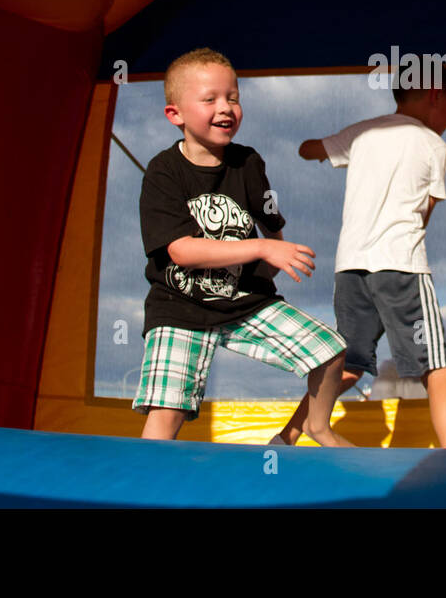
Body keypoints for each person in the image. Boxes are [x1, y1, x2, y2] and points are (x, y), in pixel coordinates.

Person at [134, 47, 353, 447]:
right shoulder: (163, 172)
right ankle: (143, 485)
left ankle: (315, 427)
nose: (226, 108)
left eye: (233, 97)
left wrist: (275, 253)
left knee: (330, 351)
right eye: (210, 99)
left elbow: (271, 227)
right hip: (179, 306)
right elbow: (181, 250)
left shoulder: (248, 163)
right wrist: (260, 250)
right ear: (175, 114)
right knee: (166, 411)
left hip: (243, 301)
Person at [273, 67, 446, 448]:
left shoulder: (364, 131)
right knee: (437, 364)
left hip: (351, 269)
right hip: (400, 267)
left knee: (348, 364)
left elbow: (307, 149)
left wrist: (331, 146)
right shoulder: (434, 146)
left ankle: (289, 434)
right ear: (435, 95)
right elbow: (423, 217)